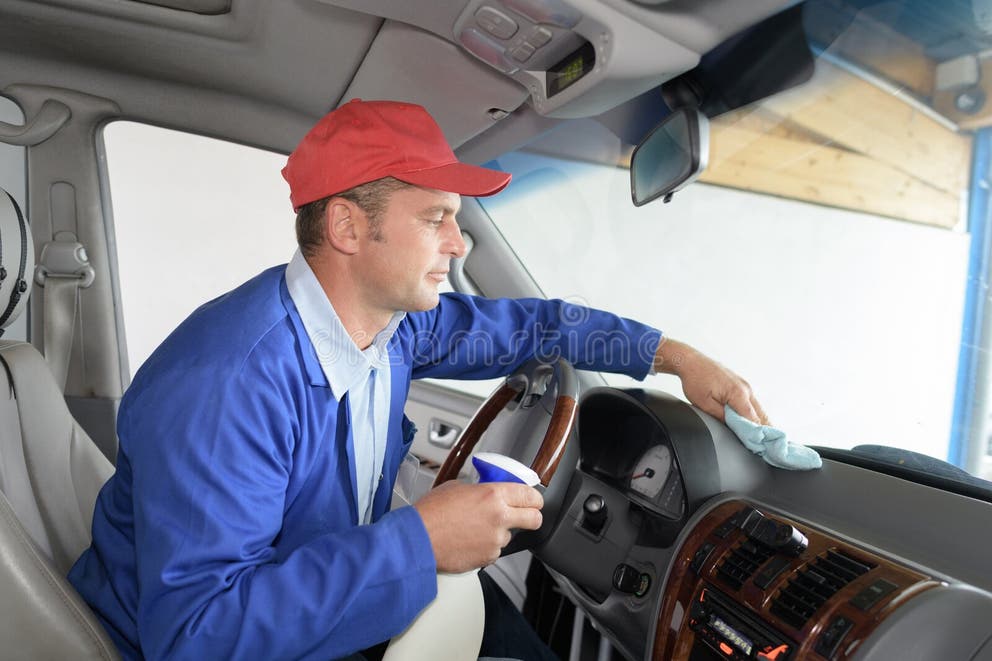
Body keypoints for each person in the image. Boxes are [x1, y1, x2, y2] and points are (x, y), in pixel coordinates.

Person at [68, 99, 766, 660]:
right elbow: (196, 634)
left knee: (488, 614)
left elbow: (535, 328)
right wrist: (419, 542)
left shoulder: (393, 326)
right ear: (347, 225)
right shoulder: (228, 385)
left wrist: (673, 356)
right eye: (436, 218)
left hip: (317, 601)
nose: (458, 244)